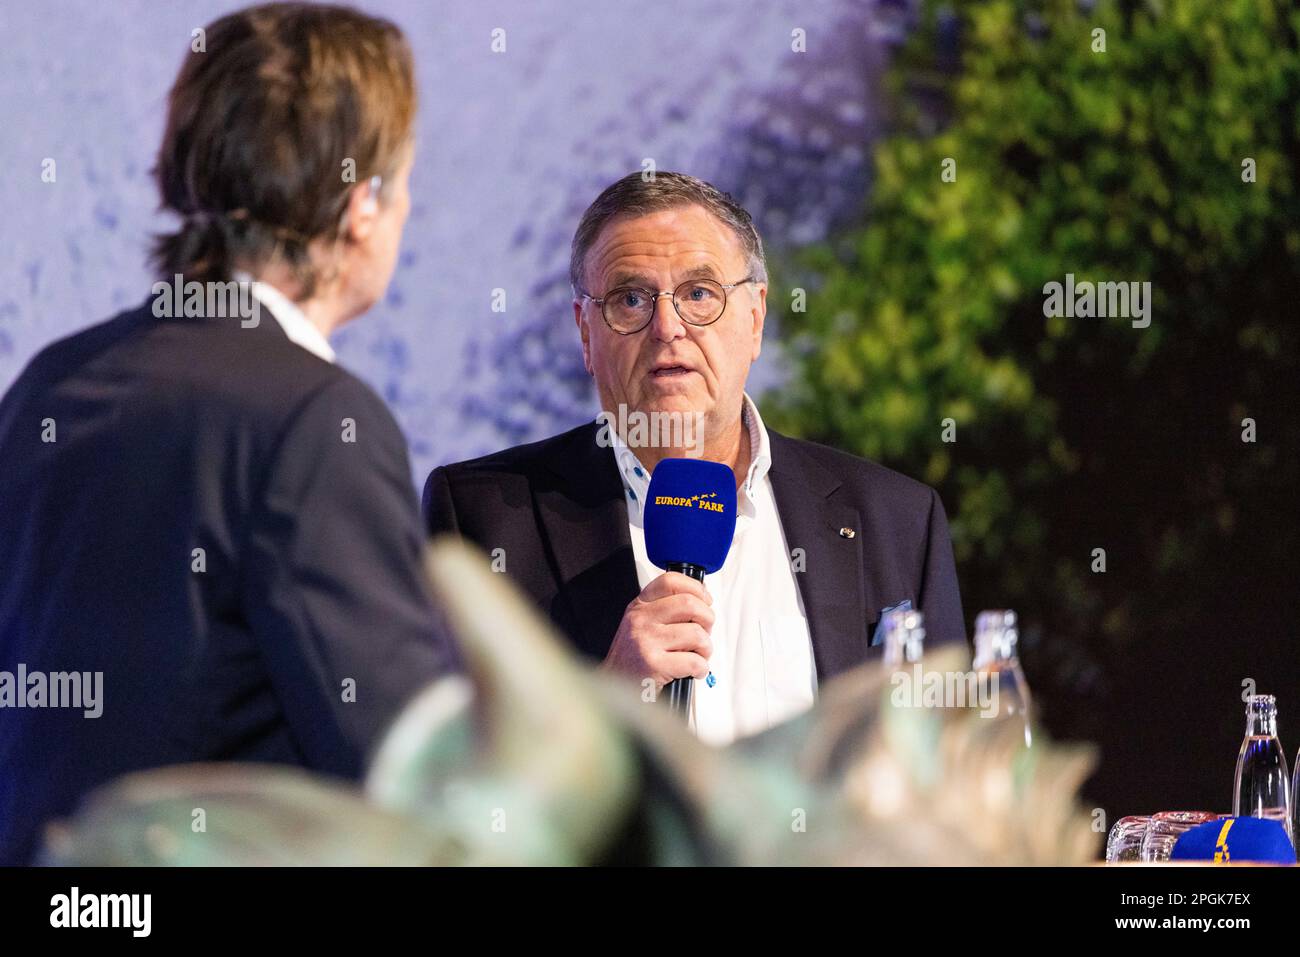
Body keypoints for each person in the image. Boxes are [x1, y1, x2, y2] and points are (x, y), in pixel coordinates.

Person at [0, 2, 458, 864]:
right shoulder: (315, 421)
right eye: (402, 180)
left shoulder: (46, 385)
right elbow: (410, 780)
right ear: (362, 205)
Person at [424, 171, 964, 746]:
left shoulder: (897, 519)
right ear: (585, 333)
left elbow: (953, 769)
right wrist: (611, 694)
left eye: (699, 294)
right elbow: (442, 791)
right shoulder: (481, 519)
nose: (667, 327)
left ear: (755, 317)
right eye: (630, 298)